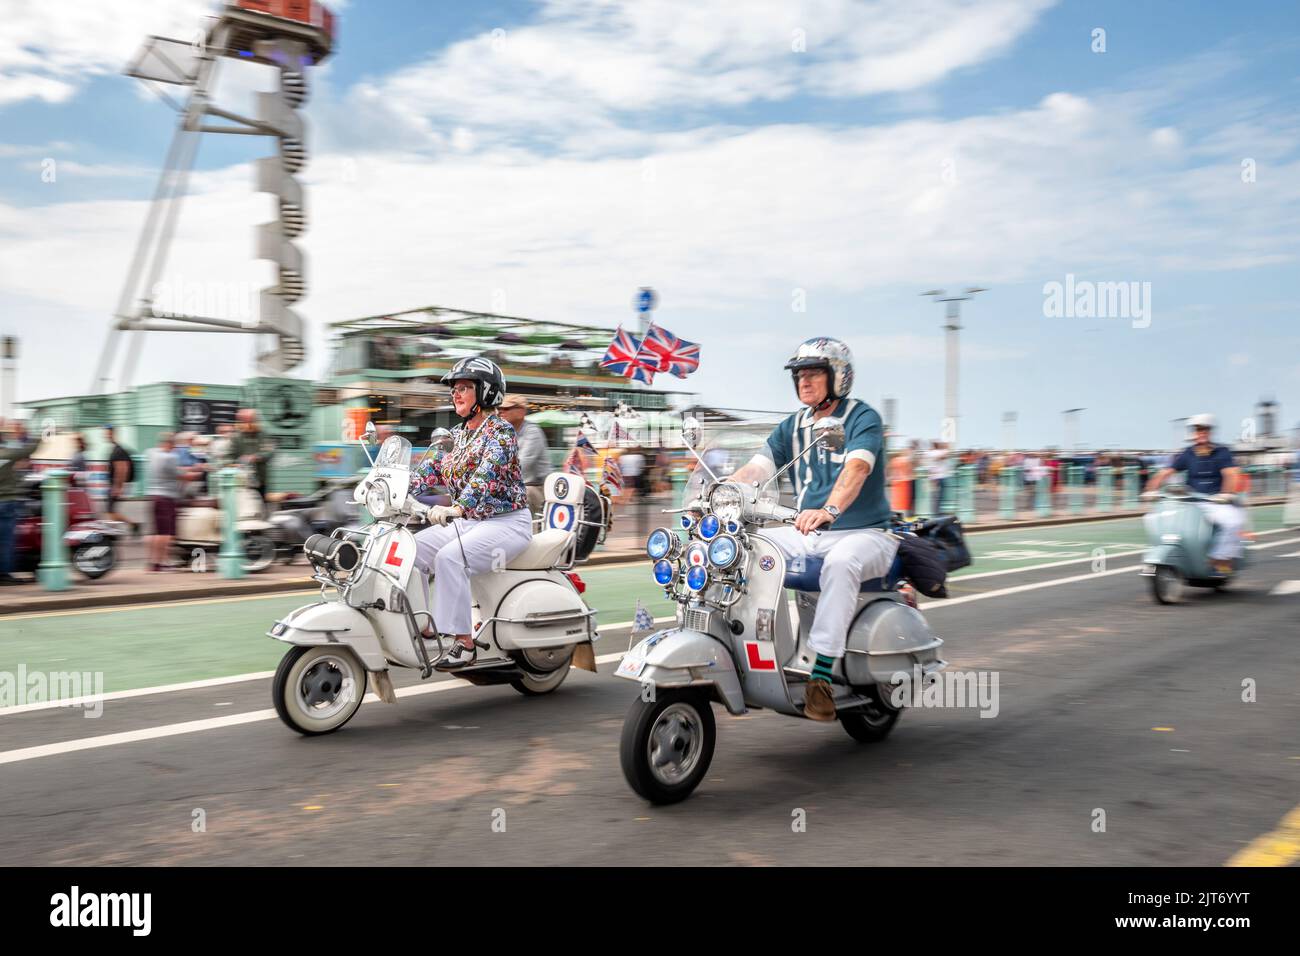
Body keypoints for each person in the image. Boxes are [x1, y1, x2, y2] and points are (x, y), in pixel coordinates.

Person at [727, 337, 897, 722]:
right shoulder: (792, 426)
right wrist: (722, 491)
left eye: (814, 373)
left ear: (839, 377)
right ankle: (744, 647)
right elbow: (758, 468)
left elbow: (857, 468)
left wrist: (830, 508)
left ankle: (821, 676)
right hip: (809, 531)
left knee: (842, 562)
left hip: (866, 533)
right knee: (748, 545)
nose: (804, 381)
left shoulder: (862, 418)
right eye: (800, 374)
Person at [408, 357, 533, 670]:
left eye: (464, 387)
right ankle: (426, 628)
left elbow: (486, 475)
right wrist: (392, 489)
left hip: (506, 523)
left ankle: (464, 644)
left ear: (486, 392)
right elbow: (426, 471)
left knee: (450, 558)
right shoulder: (455, 436)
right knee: (412, 551)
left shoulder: (500, 433)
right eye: (454, 389)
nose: (456, 394)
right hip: (467, 522)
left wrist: (458, 506)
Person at [1144, 413, 1244, 574]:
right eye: (1198, 430)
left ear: (1210, 432)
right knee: (1154, 518)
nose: (1201, 433)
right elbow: (1165, 472)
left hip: (1215, 501)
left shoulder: (1222, 452)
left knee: (1232, 522)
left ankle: (1219, 559)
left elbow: (1231, 474)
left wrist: (1226, 494)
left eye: (1205, 430)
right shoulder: (1187, 453)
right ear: (1193, 433)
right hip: (1191, 501)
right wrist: (1151, 490)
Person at [145, 432, 195, 572]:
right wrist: (194, 473)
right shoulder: (171, 457)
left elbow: (172, 470)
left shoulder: (152, 453)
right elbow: (181, 475)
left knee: (154, 532)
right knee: (165, 533)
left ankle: (152, 562)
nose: (176, 449)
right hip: (167, 497)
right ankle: (160, 563)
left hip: (153, 496)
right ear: (170, 444)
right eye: (174, 446)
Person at [497, 393, 553, 516]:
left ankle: (526, 533)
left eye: (506, 409)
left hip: (538, 488)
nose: (501, 412)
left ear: (521, 411)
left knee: (519, 496)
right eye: (500, 409)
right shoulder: (505, 433)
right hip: (517, 485)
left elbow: (523, 465)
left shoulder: (533, 432)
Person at [0, 419, 41, 586]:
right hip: (7, 501)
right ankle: (4, 574)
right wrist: (28, 434)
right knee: (7, 540)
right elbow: (30, 447)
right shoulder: (7, 454)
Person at [229, 409, 271, 494]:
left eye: (251, 420)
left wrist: (256, 457)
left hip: (260, 479)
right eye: (243, 421)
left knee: (260, 504)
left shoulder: (264, 434)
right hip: (241, 482)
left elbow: (270, 452)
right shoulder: (235, 437)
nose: (247, 424)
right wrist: (235, 464)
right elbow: (230, 456)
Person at [104, 425, 136, 526]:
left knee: (110, 512)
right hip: (114, 485)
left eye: (107, 433)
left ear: (113, 433)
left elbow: (122, 469)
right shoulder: (115, 449)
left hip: (115, 485)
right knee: (110, 511)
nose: (105, 435)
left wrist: (118, 487)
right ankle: (131, 525)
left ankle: (132, 525)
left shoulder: (118, 450)